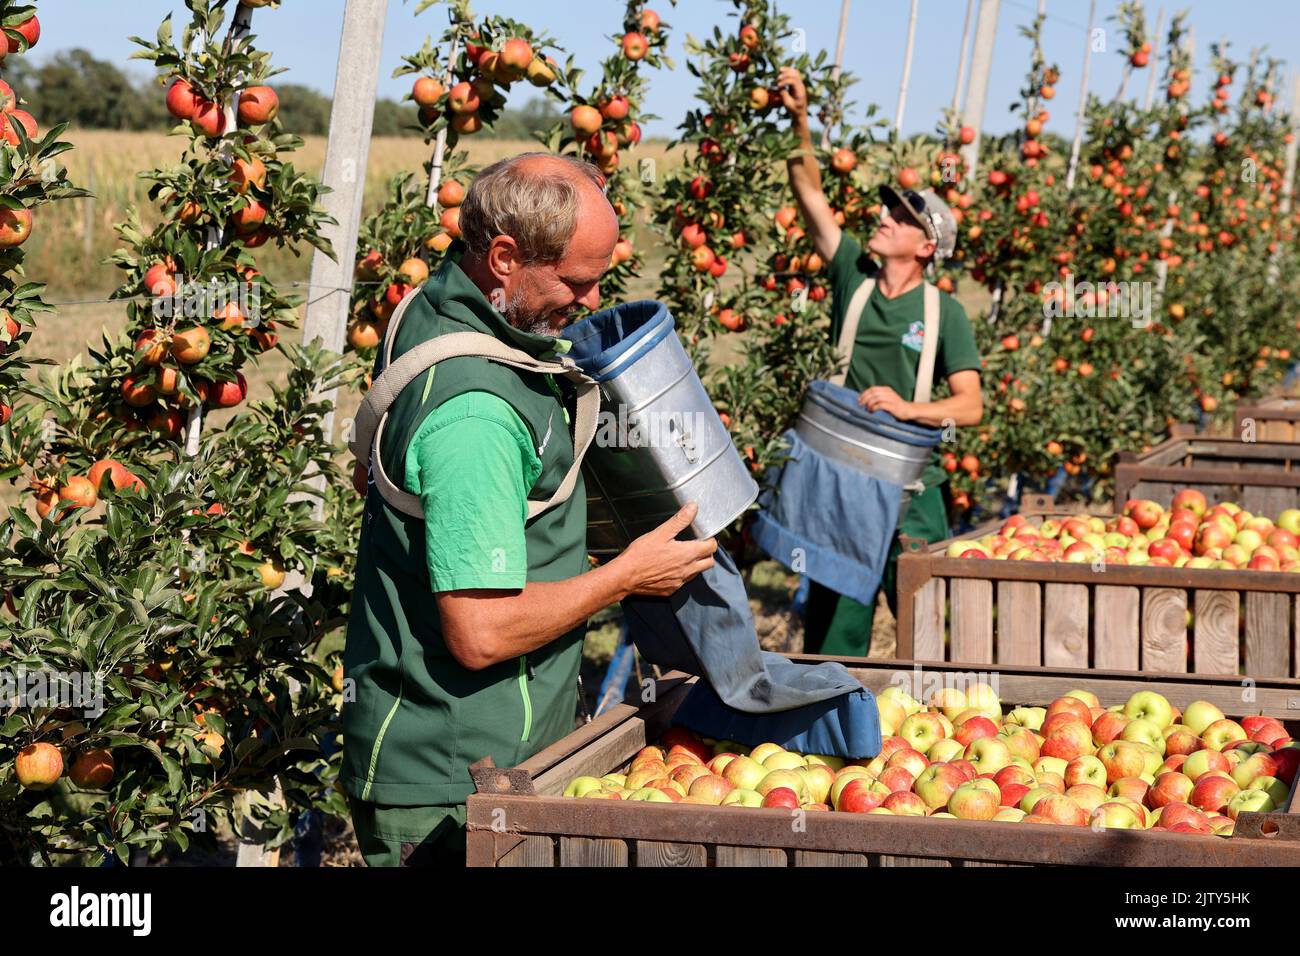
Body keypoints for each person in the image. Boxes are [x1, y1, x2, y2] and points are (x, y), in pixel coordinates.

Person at [341, 153, 717, 866]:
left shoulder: (438, 307)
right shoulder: (477, 416)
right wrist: (627, 577)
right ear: (506, 257)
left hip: (483, 755)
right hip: (454, 778)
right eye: (577, 280)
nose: (593, 296)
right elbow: (479, 632)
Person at [778, 67, 984, 656]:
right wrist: (799, 118)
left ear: (926, 247)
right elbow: (810, 194)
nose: (884, 217)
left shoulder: (945, 313)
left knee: (929, 637)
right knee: (834, 637)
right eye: (887, 209)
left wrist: (907, 407)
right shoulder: (853, 275)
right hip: (843, 478)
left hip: (915, 488)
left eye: (901, 216)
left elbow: (970, 406)